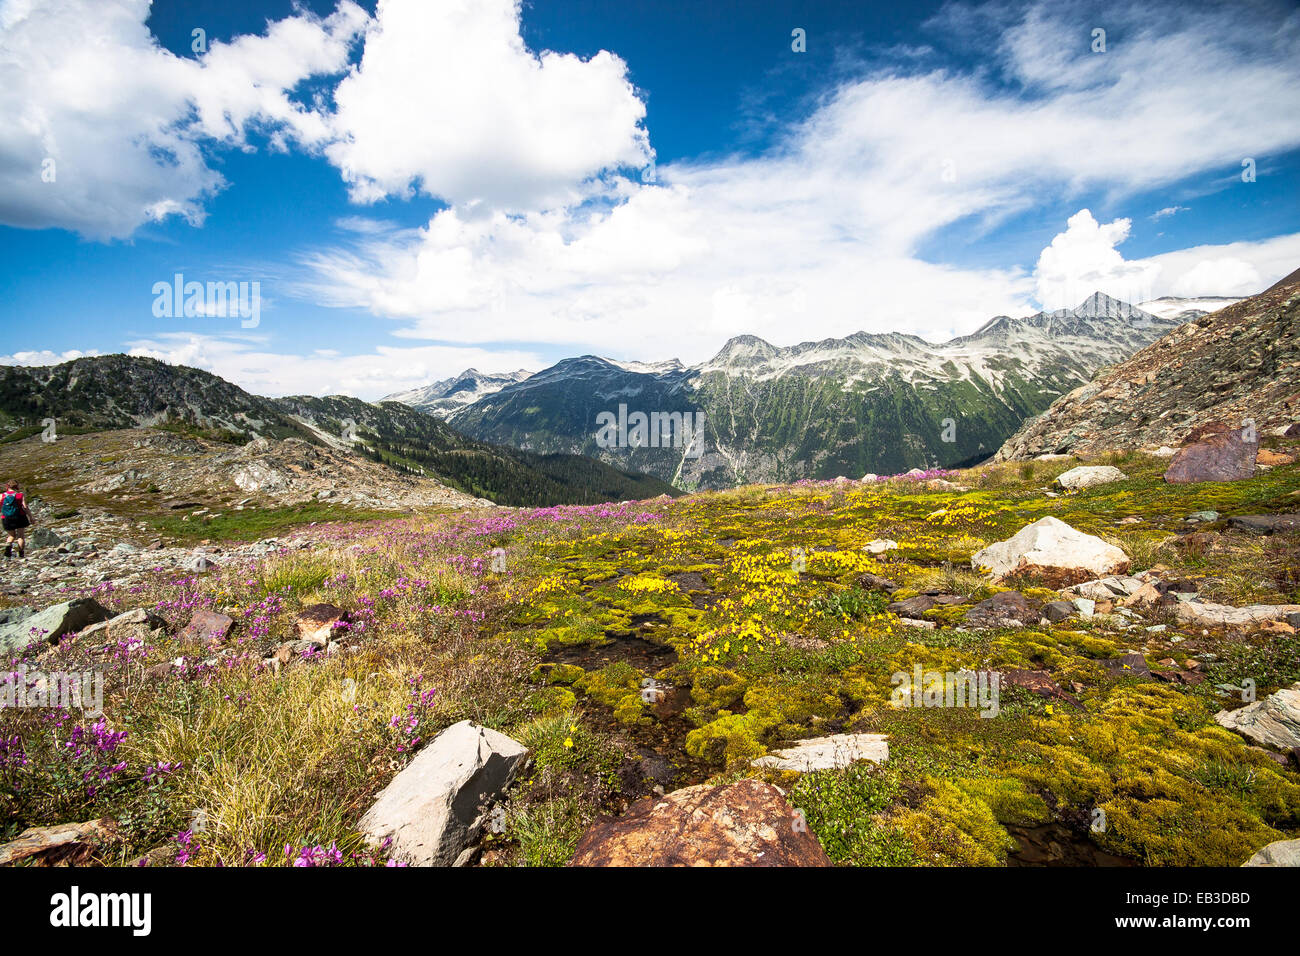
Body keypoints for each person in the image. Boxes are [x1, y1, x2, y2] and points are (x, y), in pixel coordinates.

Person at [2, 481, 33, 558]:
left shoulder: (2, 496)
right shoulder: (20, 495)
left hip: (7, 518)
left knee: (11, 535)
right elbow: (25, 507)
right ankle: (21, 554)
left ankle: (8, 547)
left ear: (7, 486)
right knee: (21, 536)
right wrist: (31, 517)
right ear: (16, 487)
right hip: (20, 516)